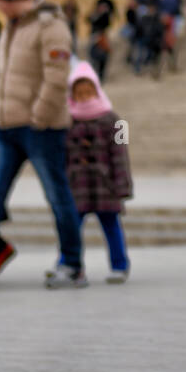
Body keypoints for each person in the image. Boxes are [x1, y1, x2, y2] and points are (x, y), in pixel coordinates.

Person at [0, 0, 86, 287]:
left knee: (57, 196)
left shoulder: (51, 25)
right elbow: (1, 78)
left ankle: (72, 264)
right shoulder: (10, 28)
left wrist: (39, 117)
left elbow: (57, 76)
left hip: (41, 129)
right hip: (3, 126)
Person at [65, 61, 132, 282]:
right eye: (79, 92)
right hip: (78, 185)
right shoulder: (66, 120)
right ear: (72, 94)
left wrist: (123, 186)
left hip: (106, 186)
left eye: (88, 91)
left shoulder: (116, 121)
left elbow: (122, 154)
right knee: (71, 227)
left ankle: (120, 265)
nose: (84, 96)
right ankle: (68, 264)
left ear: (97, 89)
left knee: (112, 226)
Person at [87, 0, 115, 81]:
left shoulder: (105, 16)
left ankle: (100, 76)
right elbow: (88, 19)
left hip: (102, 36)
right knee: (93, 57)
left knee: (103, 57)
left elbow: (107, 24)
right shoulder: (95, 14)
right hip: (95, 36)